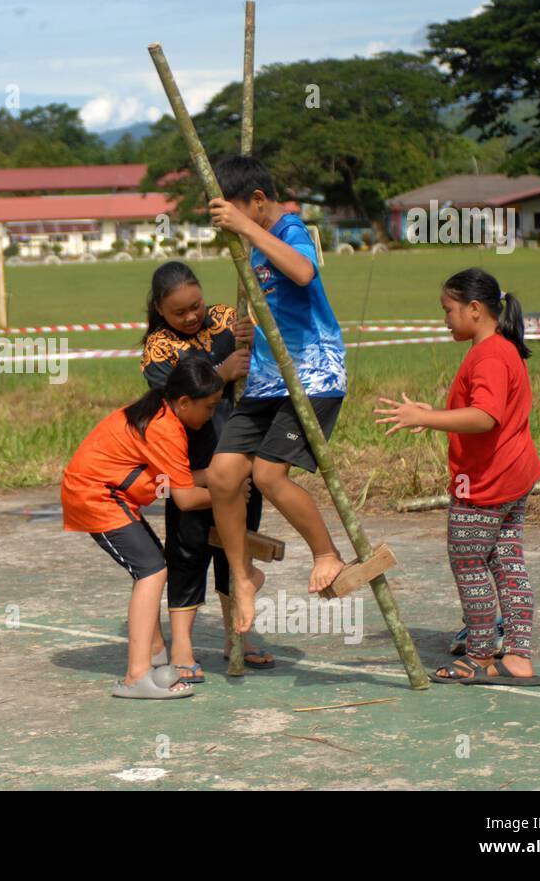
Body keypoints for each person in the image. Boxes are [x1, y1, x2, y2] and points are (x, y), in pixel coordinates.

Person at [375, 268, 540, 686]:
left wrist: (427, 419)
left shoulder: (487, 355)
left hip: (486, 483)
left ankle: (480, 655)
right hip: (514, 475)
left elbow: (485, 416)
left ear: (474, 309)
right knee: (506, 561)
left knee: (469, 563)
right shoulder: (502, 349)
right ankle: (518, 656)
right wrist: (433, 415)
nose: (445, 319)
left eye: (448, 310)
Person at [204, 155, 348, 635]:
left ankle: (326, 552)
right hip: (267, 381)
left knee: (267, 474)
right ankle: (243, 575)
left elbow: (304, 274)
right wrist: (251, 330)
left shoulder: (288, 231)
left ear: (257, 201)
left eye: (240, 211)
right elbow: (282, 304)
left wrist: (247, 227)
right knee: (223, 476)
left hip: (311, 377)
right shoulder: (255, 250)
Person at [139, 261, 275, 678]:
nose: (192, 316)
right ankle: (182, 646)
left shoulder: (225, 318)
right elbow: (177, 399)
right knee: (188, 550)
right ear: (161, 310)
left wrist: (253, 339)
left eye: (195, 305)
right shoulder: (157, 349)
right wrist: (222, 372)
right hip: (192, 463)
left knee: (237, 547)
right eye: (180, 312)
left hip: (240, 454)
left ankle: (240, 635)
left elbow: (261, 358)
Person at [61, 357, 223, 699]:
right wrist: (228, 494)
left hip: (108, 493)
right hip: (95, 496)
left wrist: (213, 478)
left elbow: (170, 480)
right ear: (184, 402)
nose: (211, 415)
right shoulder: (166, 428)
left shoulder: (163, 415)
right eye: (209, 407)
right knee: (151, 571)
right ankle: (136, 677)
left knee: (152, 565)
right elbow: (185, 498)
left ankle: (152, 656)